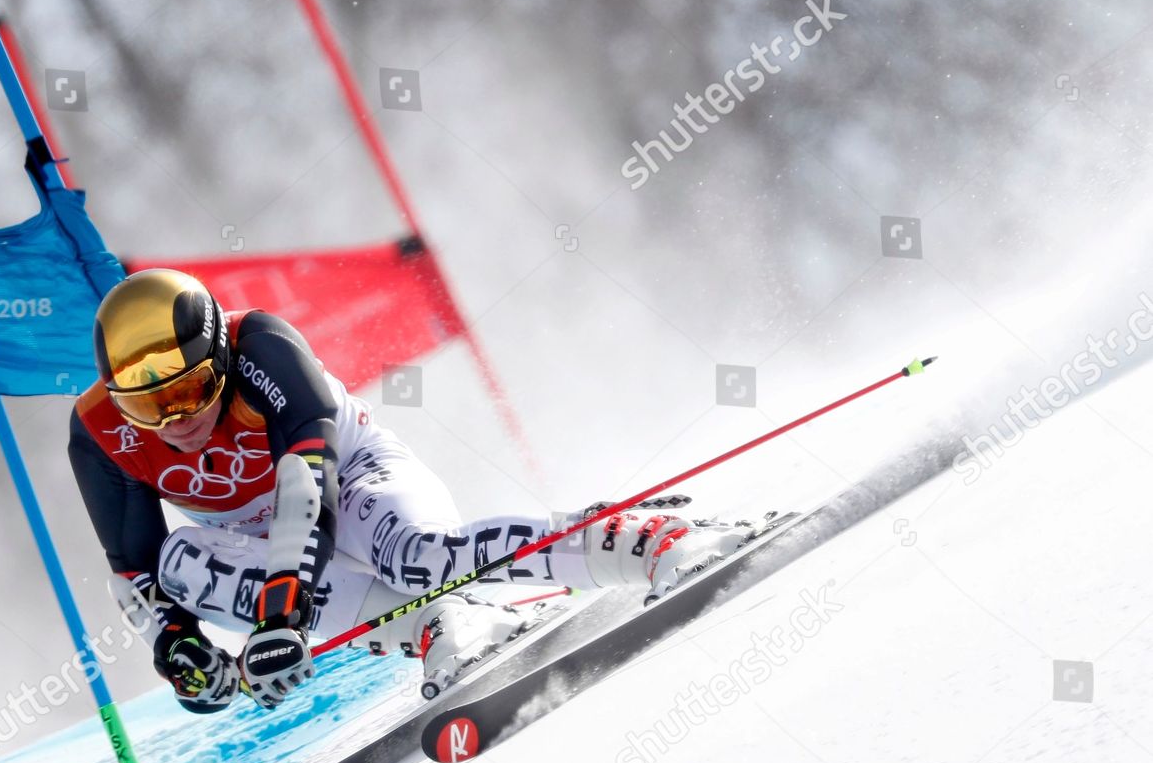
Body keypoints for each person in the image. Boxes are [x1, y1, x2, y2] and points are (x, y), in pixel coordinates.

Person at [68, 268, 750, 713]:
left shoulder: (262, 348)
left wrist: (280, 616)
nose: (177, 420)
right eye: (148, 407)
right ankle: (446, 624)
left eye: (188, 390)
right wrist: (184, 654)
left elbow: (309, 485)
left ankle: (645, 540)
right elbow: (137, 578)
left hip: (350, 480)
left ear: (217, 357)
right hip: (254, 541)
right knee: (178, 565)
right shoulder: (97, 433)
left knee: (417, 557)